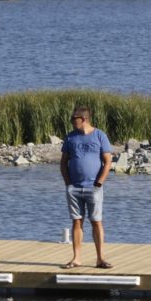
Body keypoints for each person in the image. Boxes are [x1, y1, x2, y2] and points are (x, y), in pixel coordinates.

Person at [60, 106, 114, 269]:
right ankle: (76, 259)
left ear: (83, 119)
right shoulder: (70, 137)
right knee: (77, 222)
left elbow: (107, 161)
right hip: (74, 188)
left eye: (73, 119)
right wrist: (68, 182)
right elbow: (64, 162)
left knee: (96, 221)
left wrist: (100, 182)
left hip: (94, 187)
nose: (71, 122)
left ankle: (100, 259)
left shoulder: (99, 135)